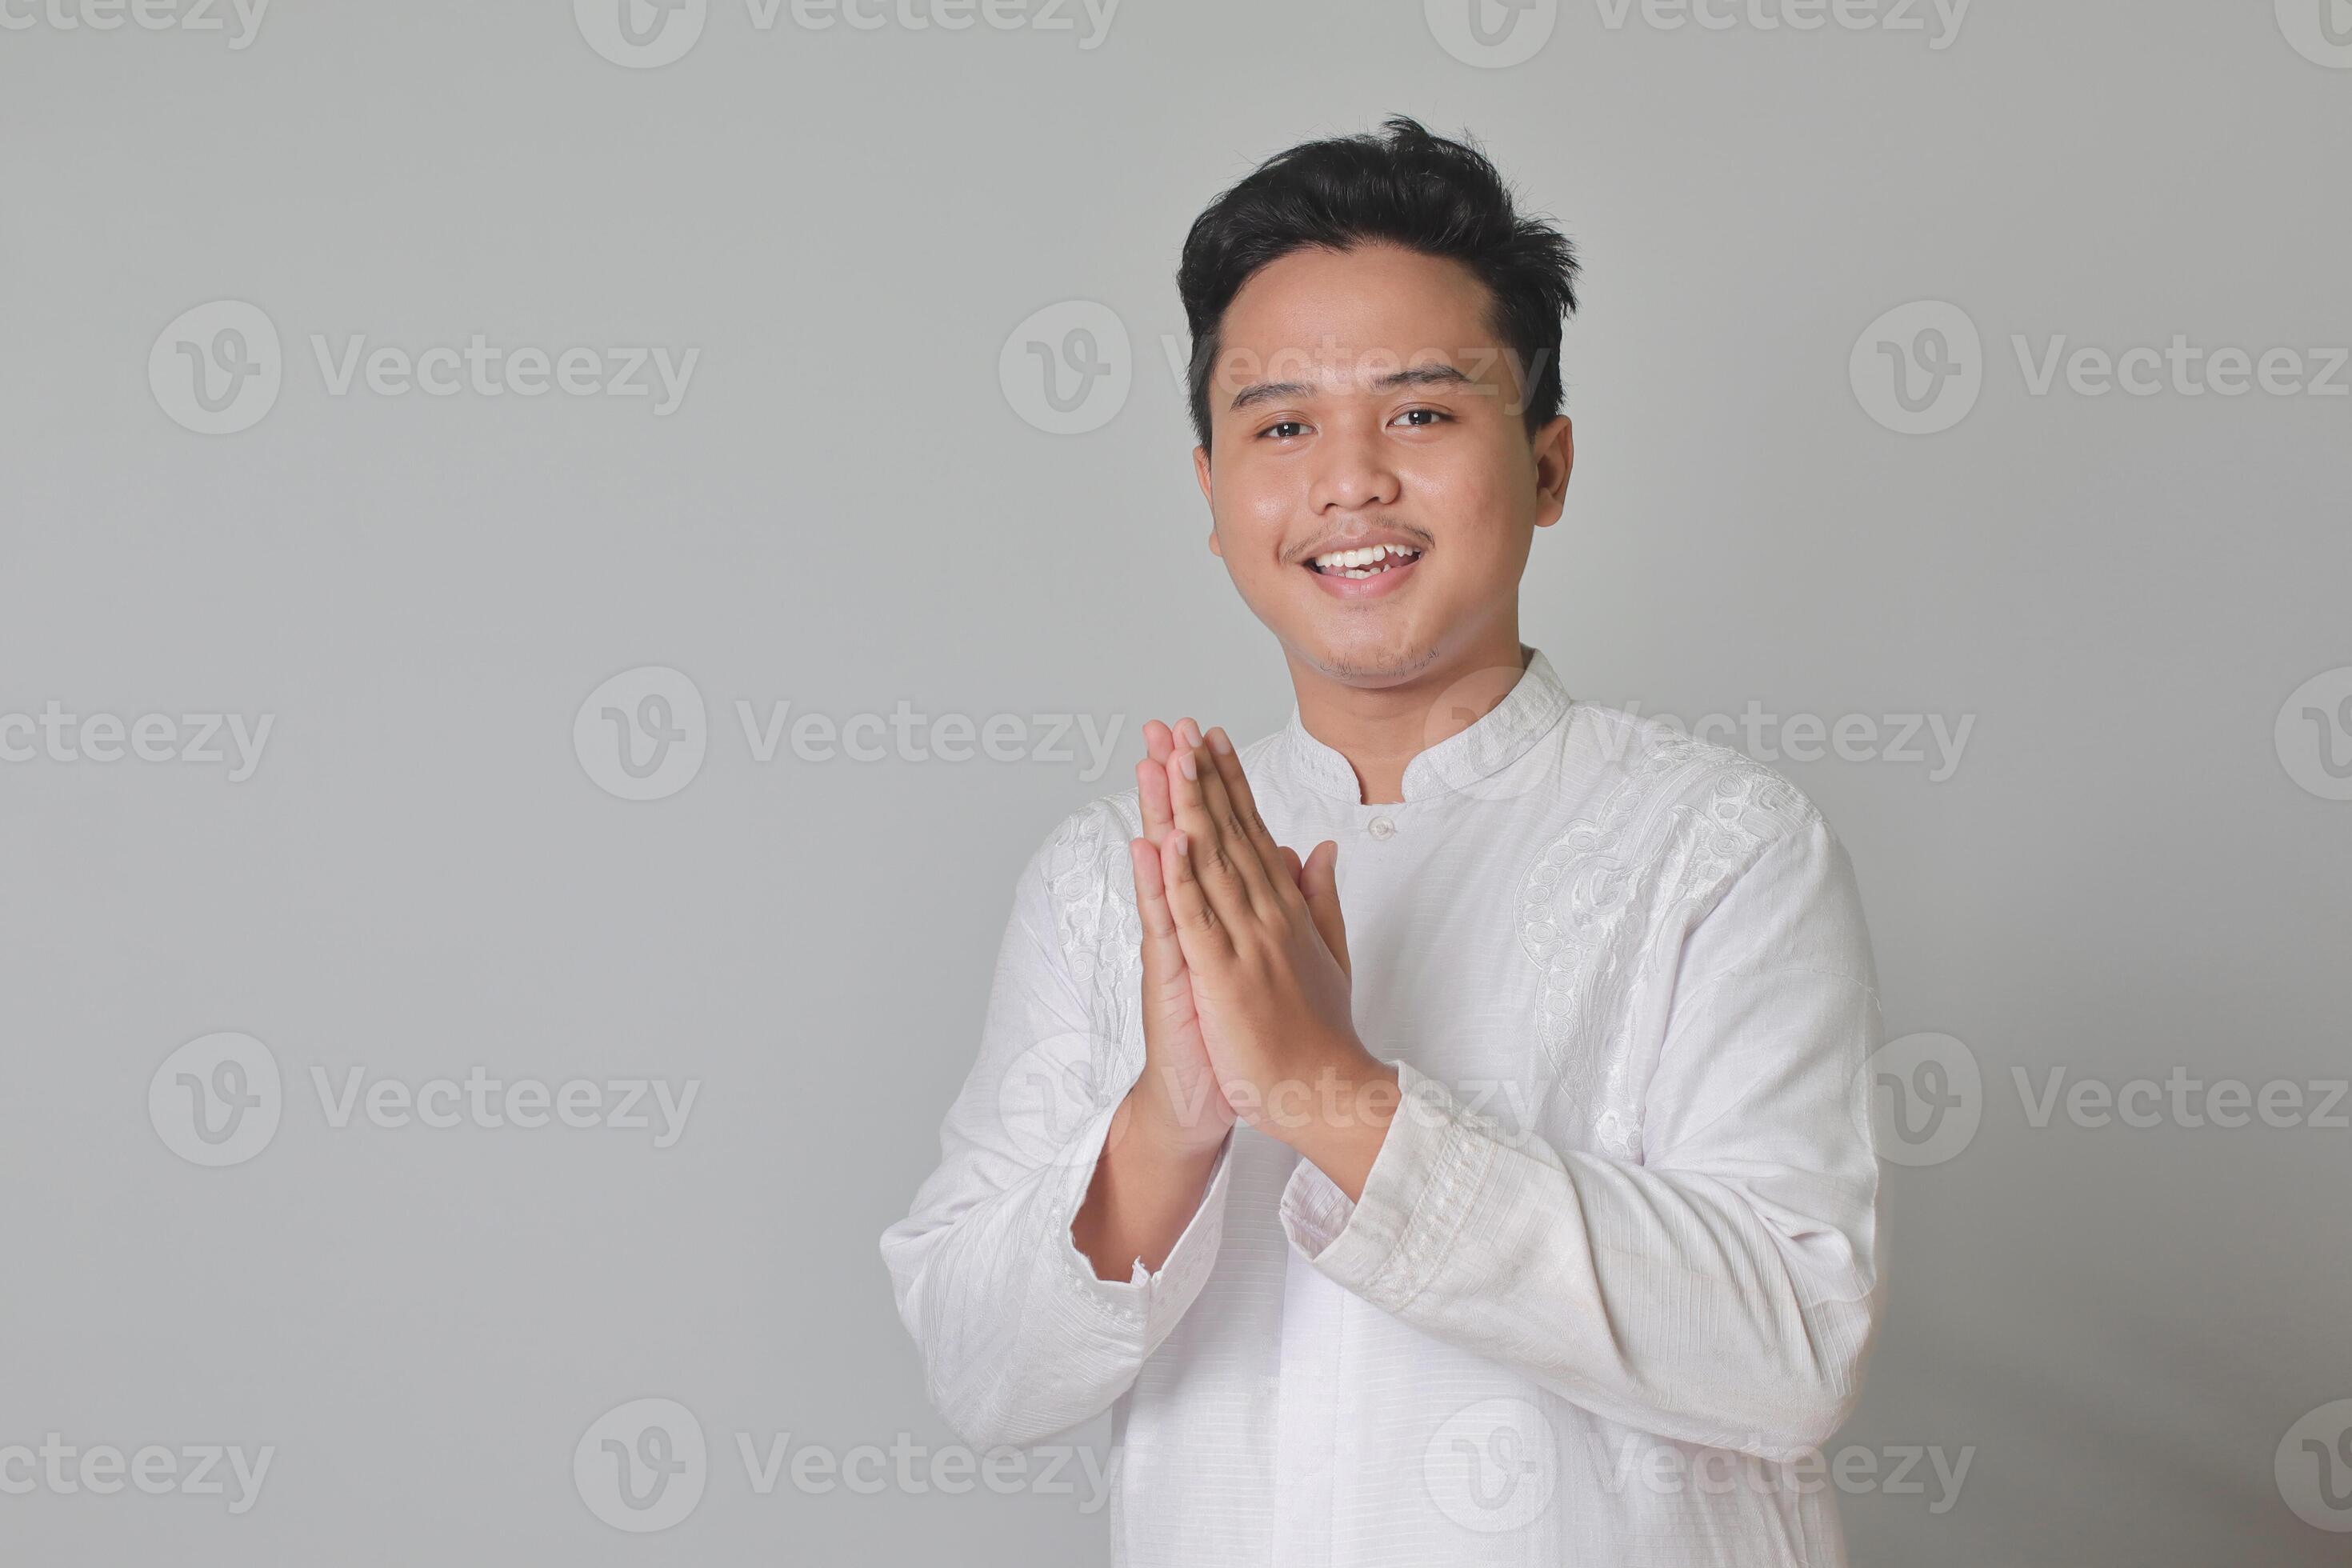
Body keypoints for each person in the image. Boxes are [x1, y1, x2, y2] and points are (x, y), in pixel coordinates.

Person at [878, 114, 1885, 1566]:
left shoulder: (1719, 845)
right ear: (1213, 495)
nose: (1349, 480)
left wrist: (1332, 1094)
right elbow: (982, 1375)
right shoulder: (1116, 877)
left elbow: (1791, 1350)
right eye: (1280, 424)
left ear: (1547, 468)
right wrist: (1177, 1114)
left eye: (1420, 410)